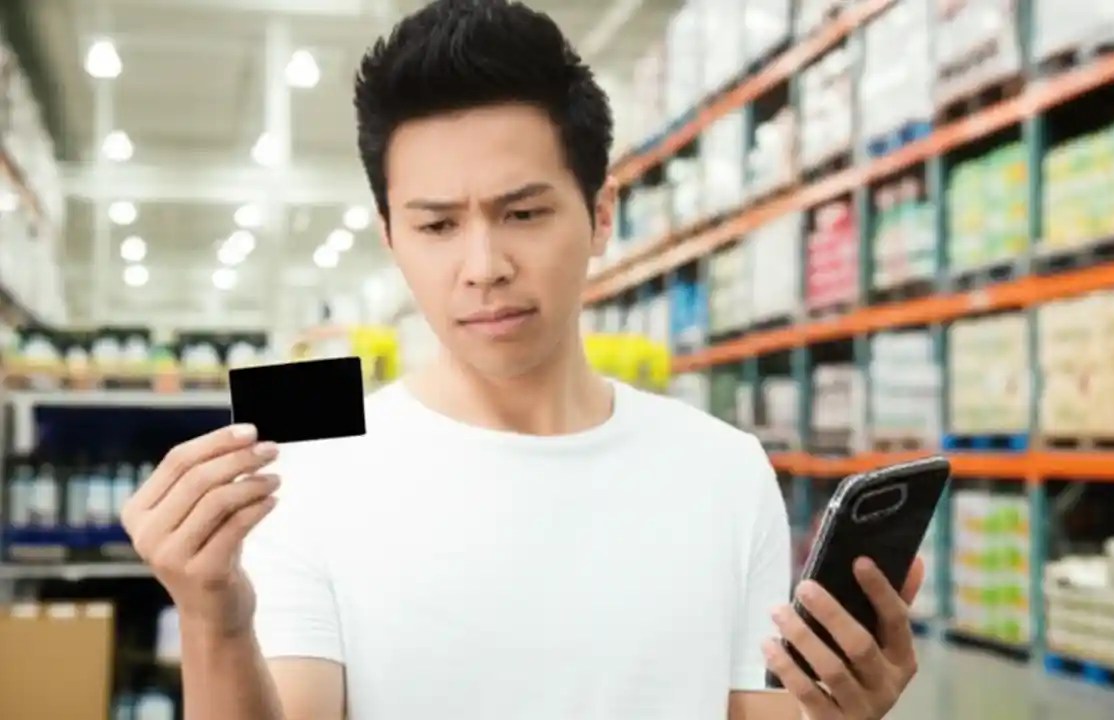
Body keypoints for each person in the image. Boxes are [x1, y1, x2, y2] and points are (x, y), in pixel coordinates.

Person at [121, 1, 925, 718]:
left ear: (601, 214)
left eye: (524, 212)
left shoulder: (723, 469)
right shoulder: (311, 466)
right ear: (391, 237)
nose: (483, 265)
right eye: (437, 226)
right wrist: (213, 616)